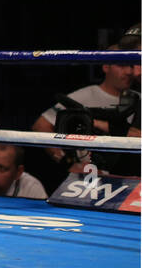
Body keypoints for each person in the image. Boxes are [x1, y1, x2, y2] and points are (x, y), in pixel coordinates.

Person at [30, 39, 140, 174]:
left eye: (131, 65)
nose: (129, 72)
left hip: (131, 176)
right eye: (121, 65)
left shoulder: (138, 98)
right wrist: (67, 162)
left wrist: (98, 124)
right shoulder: (84, 96)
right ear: (106, 66)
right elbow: (41, 126)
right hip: (89, 179)